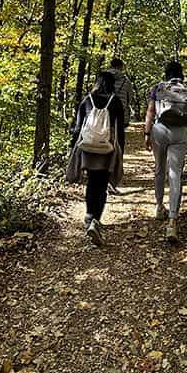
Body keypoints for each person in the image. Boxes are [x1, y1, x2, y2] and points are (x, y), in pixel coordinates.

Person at [67, 71, 124, 246]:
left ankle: (89, 215)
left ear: (97, 82)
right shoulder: (115, 101)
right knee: (102, 184)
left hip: (88, 148)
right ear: (112, 84)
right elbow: (120, 129)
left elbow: (77, 128)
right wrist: (120, 149)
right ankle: (95, 221)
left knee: (92, 182)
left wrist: (72, 147)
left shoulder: (87, 100)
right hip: (107, 147)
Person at [145, 61, 187, 243]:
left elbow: (151, 111)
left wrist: (147, 132)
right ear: (181, 74)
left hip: (160, 130)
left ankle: (159, 206)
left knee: (159, 169)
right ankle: (172, 221)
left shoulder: (158, 88)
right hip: (180, 133)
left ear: (166, 74)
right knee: (175, 175)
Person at [106, 57, 134, 193]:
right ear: (121, 67)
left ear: (110, 65)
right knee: (118, 147)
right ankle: (112, 180)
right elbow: (129, 100)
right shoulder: (126, 81)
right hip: (120, 118)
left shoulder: (102, 79)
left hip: (102, 117)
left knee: (102, 146)